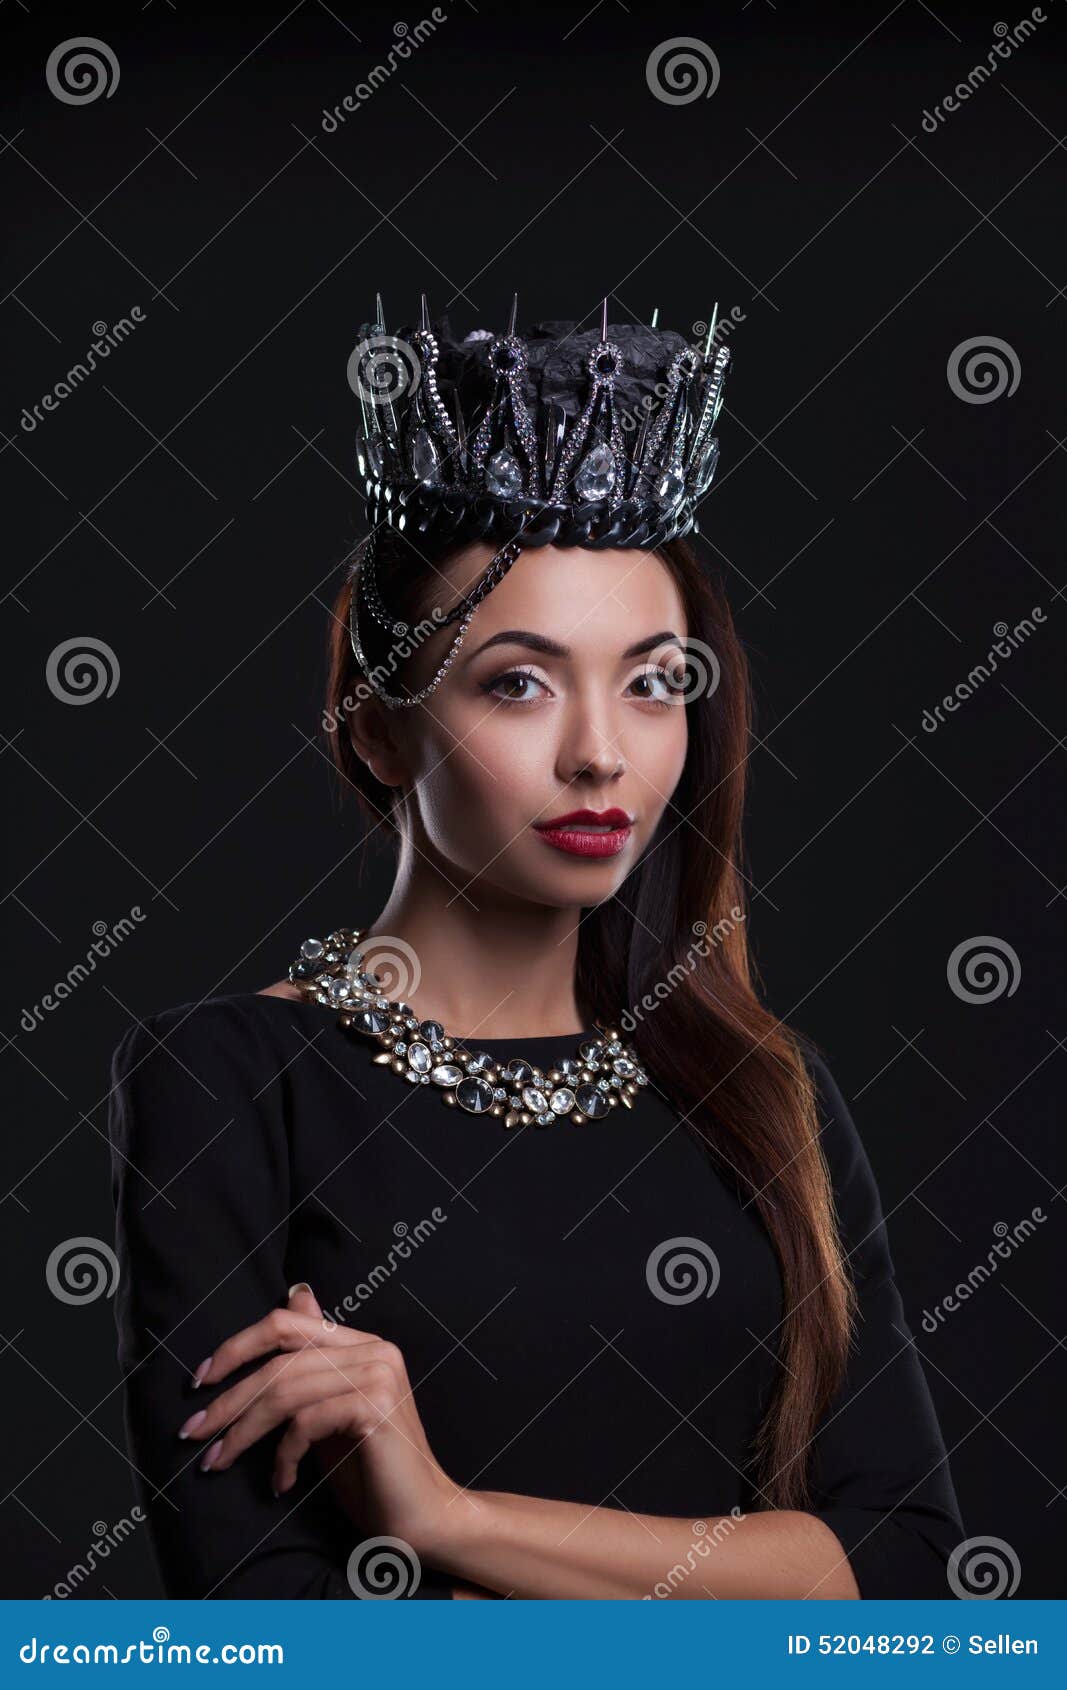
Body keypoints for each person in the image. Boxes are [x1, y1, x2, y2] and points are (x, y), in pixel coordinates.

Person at [108, 298, 964, 1599]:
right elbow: (270, 1632)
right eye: (518, 679)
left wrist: (451, 1516)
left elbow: (901, 1569)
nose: (601, 753)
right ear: (377, 723)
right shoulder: (226, 1084)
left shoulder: (761, 1088)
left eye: (652, 680)